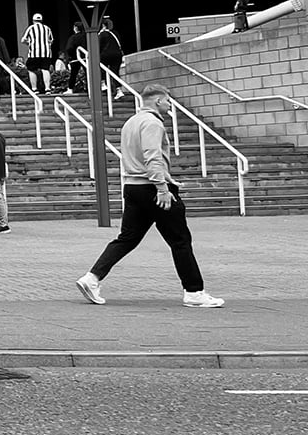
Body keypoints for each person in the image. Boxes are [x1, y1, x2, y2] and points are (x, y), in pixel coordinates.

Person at [75, 84, 225, 308]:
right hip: (152, 188)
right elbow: (152, 156)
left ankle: (92, 278)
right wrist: (163, 187)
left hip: (133, 187)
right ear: (157, 101)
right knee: (180, 240)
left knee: (127, 238)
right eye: (167, 101)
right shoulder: (153, 123)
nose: (169, 105)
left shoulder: (131, 123)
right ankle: (194, 291)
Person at [21, 13, 54, 94]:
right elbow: (51, 40)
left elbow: (23, 40)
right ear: (41, 20)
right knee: (45, 70)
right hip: (46, 53)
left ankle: (34, 89)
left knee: (31, 70)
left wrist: (29, 43)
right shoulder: (47, 28)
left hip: (34, 53)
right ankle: (47, 88)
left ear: (33, 21)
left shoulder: (31, 28)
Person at [98, 18, 125, 99]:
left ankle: (103, 84)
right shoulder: (115, 33)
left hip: (106, 55)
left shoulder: (102, 34)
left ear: (103, 25)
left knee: (101, 67)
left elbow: (98, 45)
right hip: (117, 55)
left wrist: (100, 33)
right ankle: (119, 90)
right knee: (115, 72)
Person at [63, 22, 88, 94]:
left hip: (75, 58)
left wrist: (70, 56)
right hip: (85, 57)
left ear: (75, 28)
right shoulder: (86, 36)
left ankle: (70, 89)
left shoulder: (73, 37)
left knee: (73, 74)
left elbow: (69, 48)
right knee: (88, 73)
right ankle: (89, 88)